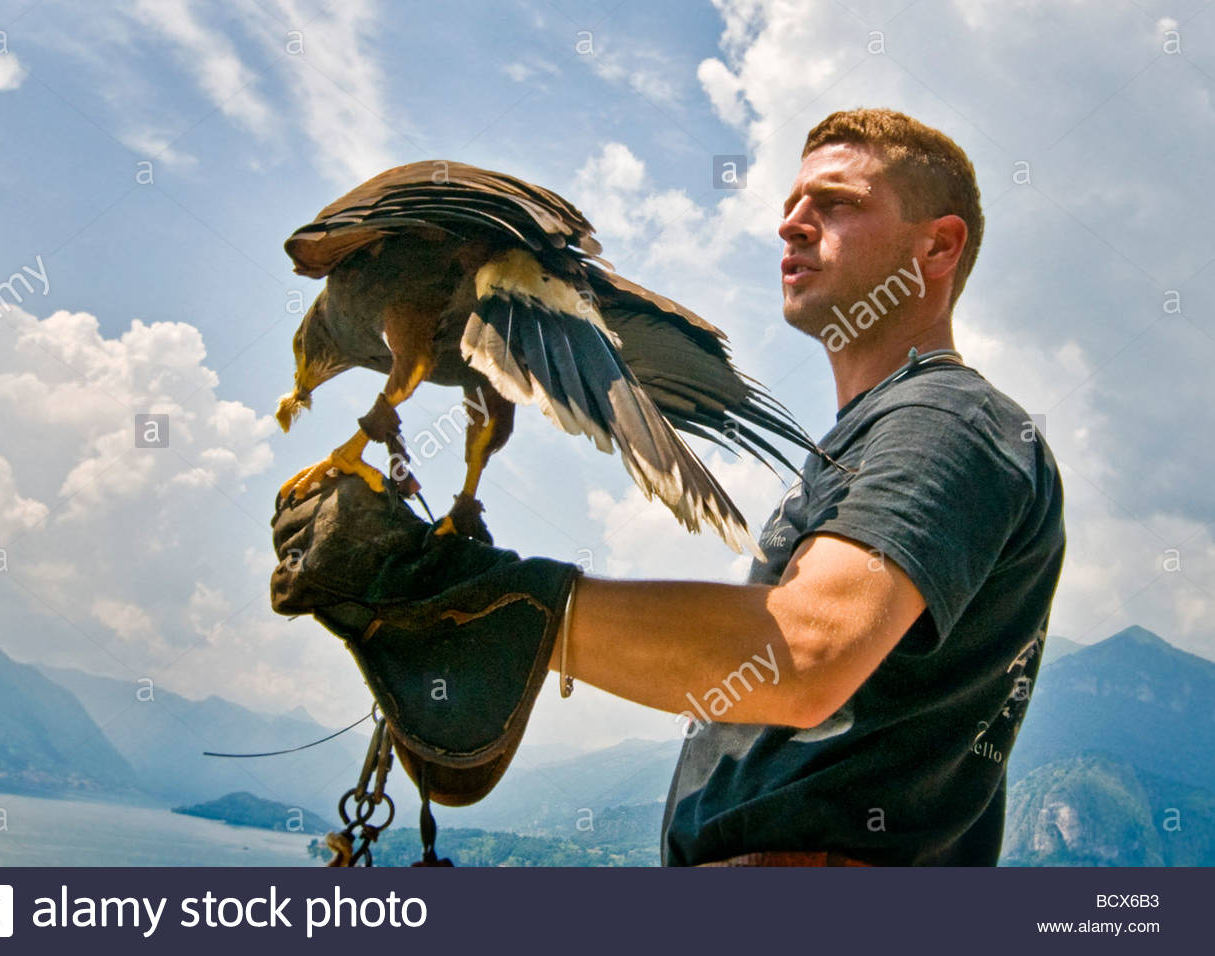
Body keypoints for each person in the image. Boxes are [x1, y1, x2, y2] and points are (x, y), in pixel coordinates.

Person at [274, 108, 1065, 867]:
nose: (790, 223)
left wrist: (479, 604)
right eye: (790, 205)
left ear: (938, 247)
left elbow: (807, 655)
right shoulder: (871, 440)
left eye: (835, 204)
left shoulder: (947, 418)